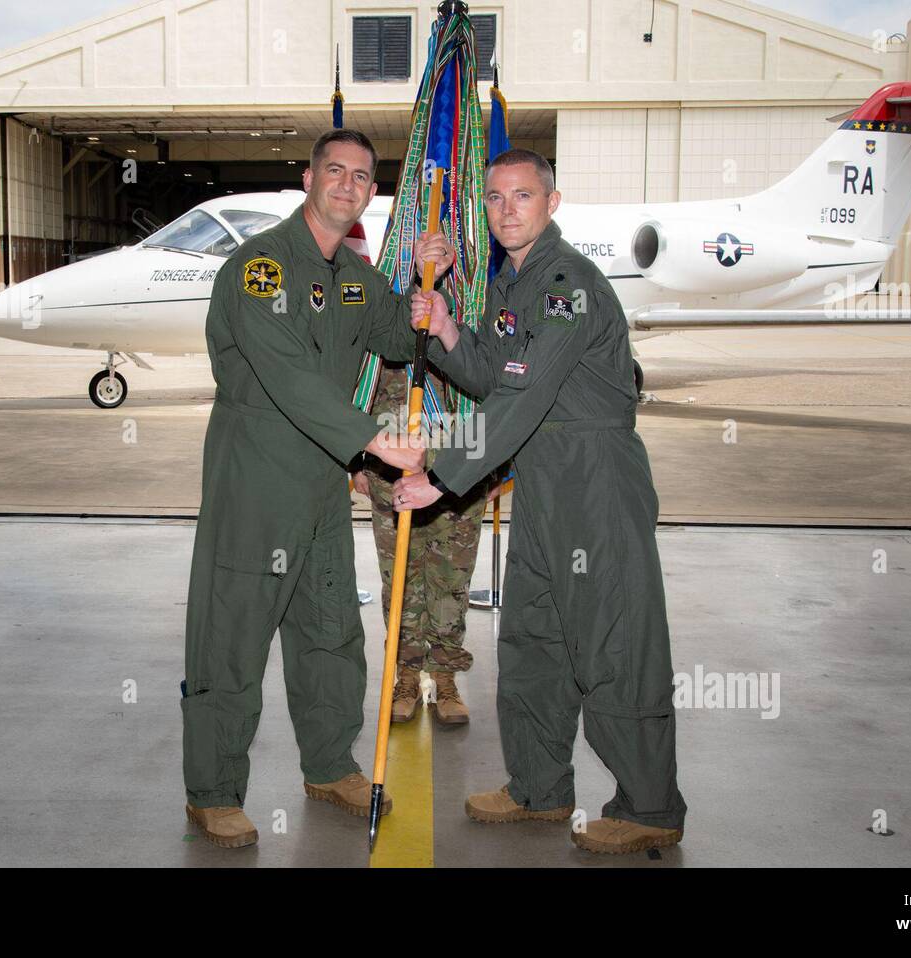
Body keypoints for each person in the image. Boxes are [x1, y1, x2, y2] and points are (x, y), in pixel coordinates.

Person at [395, 148, 687, 854]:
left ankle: (649, 805)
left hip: (595, 483)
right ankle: (538, 788)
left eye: (521, 196)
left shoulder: (568, 285)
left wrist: (443, 476)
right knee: (533, 639)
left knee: (613, 642)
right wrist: (445, 330)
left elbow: (526, 394)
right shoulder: (514, 286)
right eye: (494, 198)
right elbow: (493, 377)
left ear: (551, 203)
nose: (505, 210)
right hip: (542, 481)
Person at [182, 129, 425, 849]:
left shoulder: (353, 274)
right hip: (257, 478)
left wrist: (422, 291)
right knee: (233, 636)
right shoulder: (259, 270)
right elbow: (286, 373)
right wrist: (374, 440)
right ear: (309, 177)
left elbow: (397, 336)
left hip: (322, 482)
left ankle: (328, 764)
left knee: (329, 632)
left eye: (360, 176)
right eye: (335, 170)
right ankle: (213, 792)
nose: (347, 184)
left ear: (370, 194)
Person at [352, 360, 489, 725]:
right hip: (392, 480)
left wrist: (492, 468)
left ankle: (445, 679)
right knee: (401, 586)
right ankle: (407, 679)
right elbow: (353, 390)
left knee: (450, 585)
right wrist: (354, 462)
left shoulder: (465, 313)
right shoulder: (386, 319)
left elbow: (492, 395)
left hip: (457, 481)